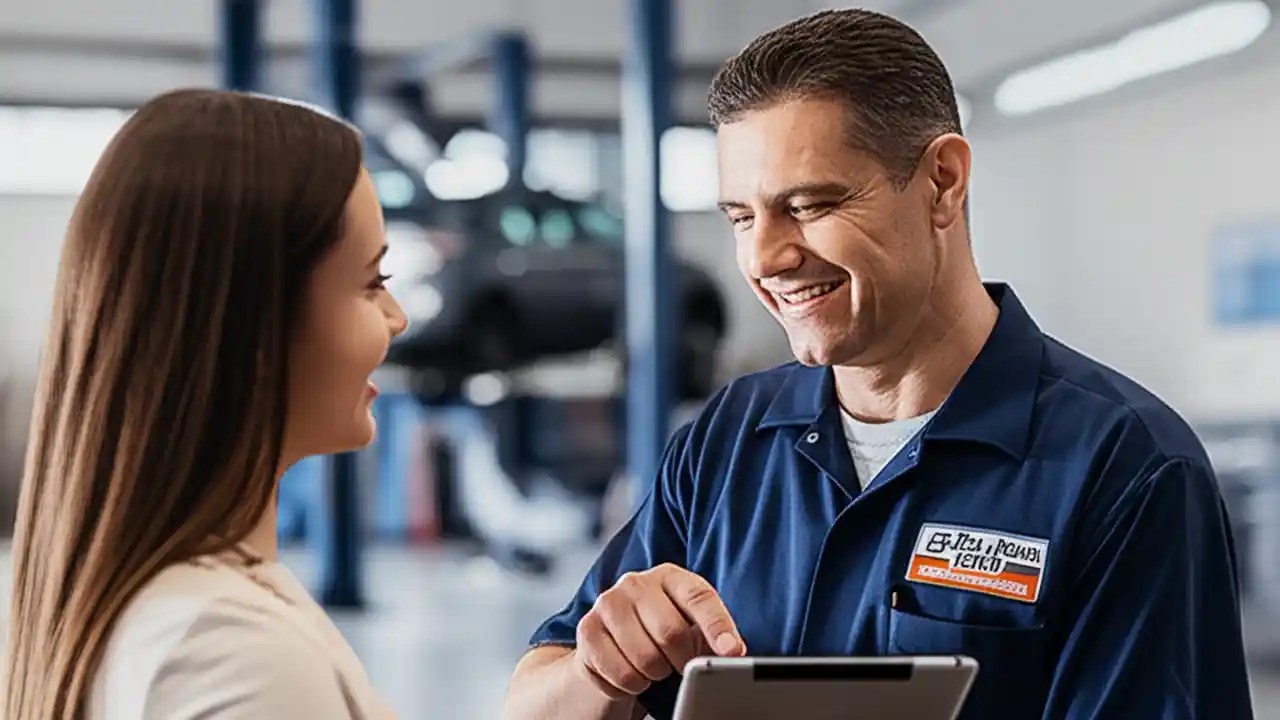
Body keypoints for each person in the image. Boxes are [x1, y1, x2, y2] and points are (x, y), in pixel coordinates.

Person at [504, 9, 1253, 720]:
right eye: (741, 216)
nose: (766, 257)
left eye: (809, 204)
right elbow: (531, 701)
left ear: (943, 183)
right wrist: (601, 669)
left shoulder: (1125, 469)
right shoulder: (730, 439)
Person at [2, 89, 408, 719]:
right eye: (372, 282)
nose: (397, 318)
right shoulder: (237, 656)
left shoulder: (166, 605)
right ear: (254, 321)